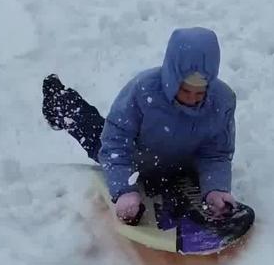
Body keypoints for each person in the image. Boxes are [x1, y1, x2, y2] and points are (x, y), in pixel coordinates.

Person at [42, 26, 237, 223]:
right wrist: (124, 189)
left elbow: (216, 153)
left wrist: (216, 188)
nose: (192, 99)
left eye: (200, 93)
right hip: (136, 161)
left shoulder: (221, 102)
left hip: (181, 166)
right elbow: (115, 142)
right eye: (186, 91)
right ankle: (59, 102)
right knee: (92, 131)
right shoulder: (144, 92)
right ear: (172, 79)